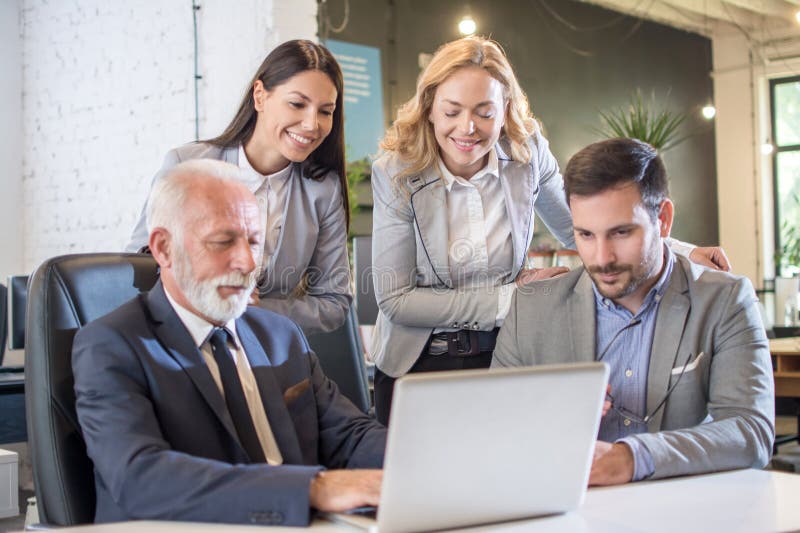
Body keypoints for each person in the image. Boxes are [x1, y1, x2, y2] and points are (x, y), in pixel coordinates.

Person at [369, 35, 731, 425]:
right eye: (452, 111)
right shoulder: (396, 172)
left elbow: (579, 225)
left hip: (507, 355)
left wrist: (679, 250)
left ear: (505, 109)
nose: (467, 128)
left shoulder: (526, 153)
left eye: (484, 112)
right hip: (419, 366)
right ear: (429, 109)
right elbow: (397, 300)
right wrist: (513, 299)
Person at [74, 160, 386, 525]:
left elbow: (349, 434)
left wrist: (426, 461)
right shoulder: (111, 344)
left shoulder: (279, 335)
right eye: (223, 242)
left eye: (254, 241)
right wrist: (312, 488)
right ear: (163, 248)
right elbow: (141, 477)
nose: (247, 261)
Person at [492, 137, 774, 485]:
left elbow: (751, 432)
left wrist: (633, 458)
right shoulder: (532, 308)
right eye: (585, 235)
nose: (601, 257)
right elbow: (496, 430)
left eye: (621, 232)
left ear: (664, 219)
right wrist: (553, 420)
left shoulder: (726, 300)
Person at [125, 39, 351, 335]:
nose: (312, 124)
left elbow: (334, 303)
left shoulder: (323, 190)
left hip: (264, 349)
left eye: (325, 111)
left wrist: (258, 310)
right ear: (260, 96)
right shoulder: (186, 163)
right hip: (178, 340)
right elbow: (137, 268)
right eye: (297, 104)